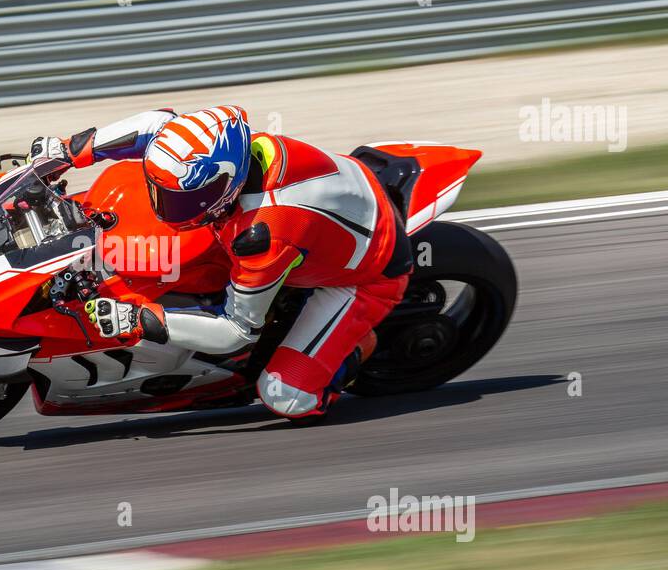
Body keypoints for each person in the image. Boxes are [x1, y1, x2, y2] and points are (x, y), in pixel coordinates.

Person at [29, 105, 412, 418]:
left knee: (286, 397)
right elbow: (154, 125)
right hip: (340, 199)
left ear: (224, 185)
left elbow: (237, 330)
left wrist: (139, 320)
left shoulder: (262, 234)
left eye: (176, 199)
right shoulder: (211, 144)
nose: (164, 206)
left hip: (365, 276)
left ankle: (358, 344)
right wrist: (66, 151)